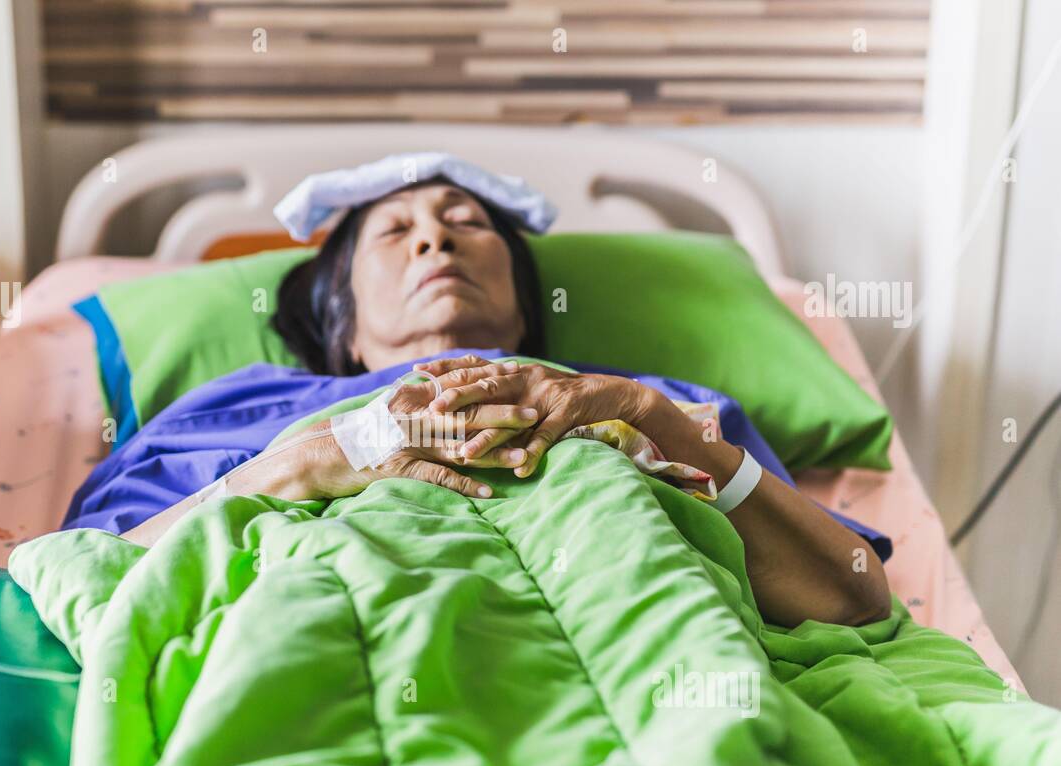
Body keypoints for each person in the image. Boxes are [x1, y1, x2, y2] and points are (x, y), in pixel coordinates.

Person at [68, 175, 891, 628]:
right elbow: (81, 583)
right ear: (343, 319)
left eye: (465, 221)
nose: (436, 236)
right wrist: (320, 458)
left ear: (526, 308)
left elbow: (851, 594)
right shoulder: (240, 407)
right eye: (395, 231)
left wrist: (645, 415)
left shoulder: (666, 404)